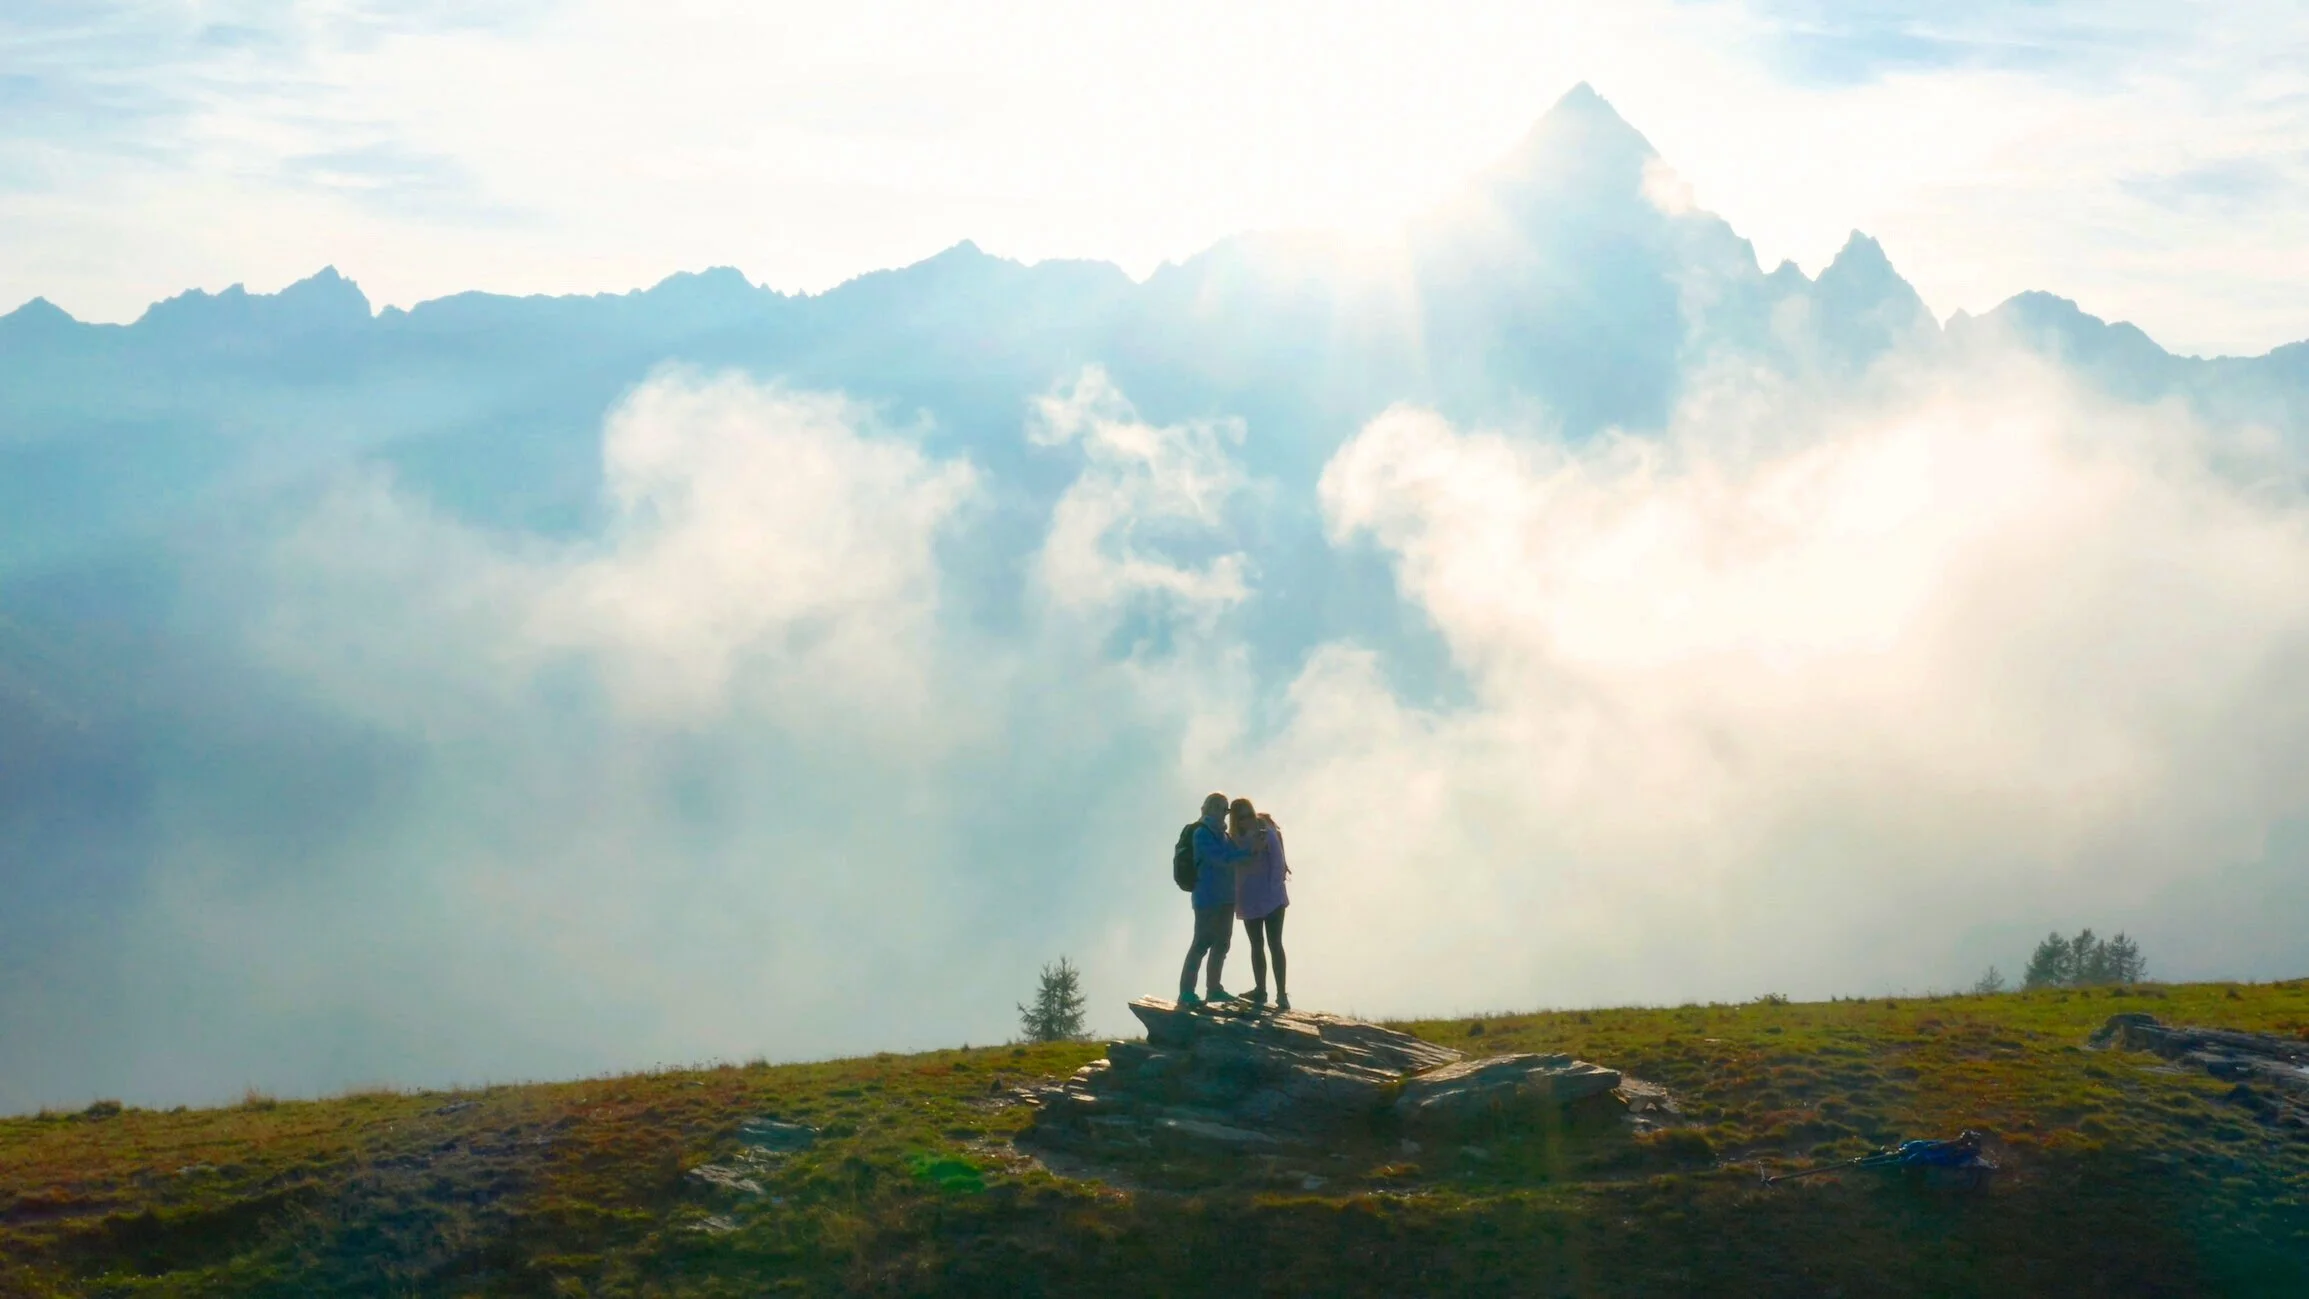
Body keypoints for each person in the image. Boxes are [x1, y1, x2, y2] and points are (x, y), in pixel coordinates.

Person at [1177, 791, 1251, 1008]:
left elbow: (1229, 856)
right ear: (1210, 808)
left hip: (1226, 897)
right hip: (1207, 898)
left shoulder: (1223, 835)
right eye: (1221, 807)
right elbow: (1219, 858)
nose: (1225, 813)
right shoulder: (1201, 833)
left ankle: (1214, 989)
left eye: (1226, 808)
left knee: (1222, 943)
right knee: (1201, 943)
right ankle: (1187, 993)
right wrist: (1247, 854)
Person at [1229, 798, 1291, 1011]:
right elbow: (1234, 863)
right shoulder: (1234, 838)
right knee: (1256, 945)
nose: (1246, 820)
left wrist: (1275, 887)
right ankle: (1260, 989)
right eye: (1241, 817)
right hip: (1249, 898)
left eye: (1248, 814)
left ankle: (1282, 994)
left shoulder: (1265, 829)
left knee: (1275, 944)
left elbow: (1277, 860)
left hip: (1272, 896)